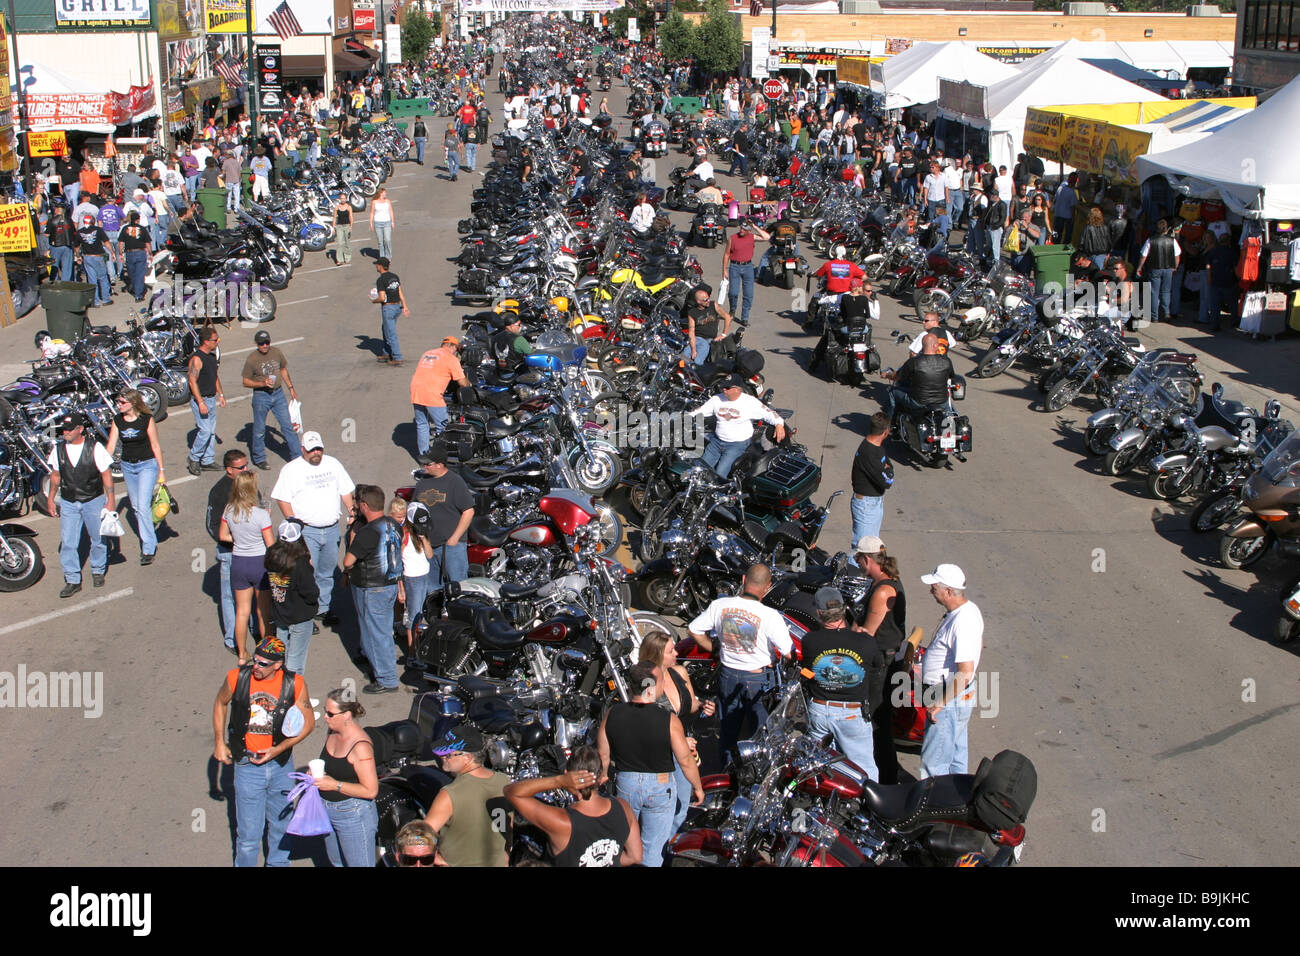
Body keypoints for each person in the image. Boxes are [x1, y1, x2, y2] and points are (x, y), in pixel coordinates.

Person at [212, 636, 314, 867]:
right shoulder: (238, 677)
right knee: (248, 835)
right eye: (255, 660)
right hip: (247, 765)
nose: (255, 666)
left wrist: (279, 749)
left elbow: (308, 724)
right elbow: (220, 703)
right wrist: (219, 742)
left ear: (278, 664)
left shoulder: (294, 683)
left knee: (282, 826)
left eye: (262, 663)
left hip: (280, 765)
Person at [597, 662, 703, 867]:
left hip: (626, 783)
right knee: (653, 850)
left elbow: (603, 751)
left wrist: (603, 773)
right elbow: (685, 760)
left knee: (624, 843)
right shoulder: (669, 720)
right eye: (661, 680)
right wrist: (697, 787)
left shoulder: (614, 713)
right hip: (660, 787)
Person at [688, 564, 793, 759]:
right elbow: (788, 653)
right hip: (758, 679)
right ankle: (756, 773)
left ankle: (726, 772)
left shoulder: (720, 606)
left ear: (744, 580)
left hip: (728, 674)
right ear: (767, 586)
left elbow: (693, 629)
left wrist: (715, 649)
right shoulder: (771, 616)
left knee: (728, 731)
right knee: (761, 734)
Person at [271, 431, 356, 630]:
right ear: (303, 450)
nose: (316, 453)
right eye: (311, 450)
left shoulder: (333, 464)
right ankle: (307, 611)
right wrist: (293, 523)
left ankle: (323, 608)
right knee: (307, 572)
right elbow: (282, 498)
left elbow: (345, 489)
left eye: (318, 448)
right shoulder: (291, 470)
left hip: (332, 528)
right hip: (307, 531)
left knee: (326, 572)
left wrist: (351, 511)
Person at [504, 746, 642, 867]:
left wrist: (559, 781)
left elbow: (511, 792)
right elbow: (634, 857)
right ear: (600, 778)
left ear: (567, 774)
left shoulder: (562, 822)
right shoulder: (623, 807)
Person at [637, 633, 715, 837]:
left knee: (681, 806)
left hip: (684, 750)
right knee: (657, 808)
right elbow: (643, 721)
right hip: (660, 752)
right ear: (656, 655)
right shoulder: (646, 682)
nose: (677, 653)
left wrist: (703, 706)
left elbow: (690, 705)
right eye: (671, 651)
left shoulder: (679, 672)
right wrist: (676, 739)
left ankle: (665, 847)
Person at [800, 587, 879, 780]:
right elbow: (876, 666)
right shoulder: (866, 642)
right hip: (851, 712)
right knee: (864, 769)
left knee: (816, 764)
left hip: (820, 709)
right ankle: (869, 807)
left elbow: (807, 671)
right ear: (844, 610)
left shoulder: (810, 640)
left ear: (818, 614)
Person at [917, 563, 982, 778]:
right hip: (956, 696)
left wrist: (940, 704)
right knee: (955, 754)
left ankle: (935, 805)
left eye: (934, 588)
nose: (931, 592)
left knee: (934, 763)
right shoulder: (969, 611)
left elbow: (965, 671)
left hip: (948, 698)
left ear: (948, 591)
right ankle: (956, 802)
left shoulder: (961, 621)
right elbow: (979, 644)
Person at [853, 536, 907, 784]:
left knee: (875, 720)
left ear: (866, 559)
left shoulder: (882, 590)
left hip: (879, 664)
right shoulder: (891, 582)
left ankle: (883, 776)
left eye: (858, 560)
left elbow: (867, 633)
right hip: (888, 658)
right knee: (881, 719)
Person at [343, 484, 404, 694]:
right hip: (389, 585)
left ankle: (386, 679)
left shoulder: (368, 532)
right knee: (384, 630)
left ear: (365, 506)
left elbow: (348, 561)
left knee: (376, 633)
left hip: (371, 588)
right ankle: (382, 667)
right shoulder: (393, 524)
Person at [422, 725, 511, 867]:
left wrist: (438, 860)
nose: (442, 756)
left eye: (448, 754)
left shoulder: (450, 794)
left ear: (467, 757)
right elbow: (508, 828)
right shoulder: (504, 782)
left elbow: (421, 838)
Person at [47, 413, 115, 598]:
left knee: (98, 538)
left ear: (80, 429)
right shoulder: (58, 450)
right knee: (68, 542)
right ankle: (72, 579)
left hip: (93, 499)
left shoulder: (95, 448)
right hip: (69, 501)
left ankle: (98, 570)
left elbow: (106, 474)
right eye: (64, 430)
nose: (65, 433)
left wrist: (110, 500)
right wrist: (51, 499)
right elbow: (55, 476)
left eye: (69, 429)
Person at [312, 690, 380, 866]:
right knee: (337, 862)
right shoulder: (332, 731)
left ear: (347, 715)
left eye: (330, 714)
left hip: (352, 814)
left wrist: (335, 785)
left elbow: (371, 790)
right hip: (326, 809)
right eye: (324, 711)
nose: (325, 717)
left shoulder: (360, 747)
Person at [105, 389, 166, 565]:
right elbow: (111, 445)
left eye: (122, 402)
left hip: (147, 464)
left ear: (132, 403)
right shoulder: (117, 420)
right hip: (128, 466)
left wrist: (161, 471)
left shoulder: (146, 419)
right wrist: (100, 464)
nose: (118, 405)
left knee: (142, 506)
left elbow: (155, 445)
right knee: (137, 506)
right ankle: (149, 535)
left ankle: (148, 546)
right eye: (117, 402)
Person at [220, 470, 275, 664]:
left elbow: (222, 535)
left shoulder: (229, 510)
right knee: (263, 611)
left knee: (242, 611)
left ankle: (242, 654)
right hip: (259, 563)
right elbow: (270, 545)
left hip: (239, 562)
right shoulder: (261, 515)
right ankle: (267, 652)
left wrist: (238, 540)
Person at [689, 375, 786, 479]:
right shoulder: (717, 399)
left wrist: (779, 424)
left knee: (720, 474)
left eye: (727, 388)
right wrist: (684, 416)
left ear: (737, 389)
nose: (724, 389)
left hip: (736, 445)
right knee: (699, 469)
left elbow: (769, 413)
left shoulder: (749, 402)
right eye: (723, 387)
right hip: (716, 442)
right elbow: (699, 410)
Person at [411, 443, 474, 600]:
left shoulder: (455, 482)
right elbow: (414, 508)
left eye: (428, 464)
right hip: (428, 546)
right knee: (432, 591)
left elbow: (468, 511)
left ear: (440, 465)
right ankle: (436, 620)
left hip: (451, 548)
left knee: (457, 589)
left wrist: (454, 538)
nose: (424, 466)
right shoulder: (422, 482)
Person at [264, 520, 319, 676]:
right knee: (296, 661)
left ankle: (278, 687)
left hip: (280, 613)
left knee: (281, 655)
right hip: (300, 616)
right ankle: (293, 696)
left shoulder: (271, 556)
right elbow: (311, 592)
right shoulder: (300, 564)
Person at [208, 449, 250, 651]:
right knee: (230, 597)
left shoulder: (248, 485)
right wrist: (234, 540)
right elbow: (212, 525)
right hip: (230, 552)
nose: (245, 469)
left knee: (254, 592)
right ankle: (232, 638)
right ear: (229, 470)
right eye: (240, 467)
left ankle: (254, 629)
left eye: (246, 465)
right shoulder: (218, 492)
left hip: (251, 550)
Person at [242, 330, 301, 470]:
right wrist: (262, 384)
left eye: (267, 342)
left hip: (278, 394)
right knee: (260, 429)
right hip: (261, 396)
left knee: (288, 426)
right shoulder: (252, 359)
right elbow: (245, 381)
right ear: (256, 344)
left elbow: (283, 370)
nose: (265, 345)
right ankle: (259, 458)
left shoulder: (276, 352)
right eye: (261, 343)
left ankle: (297, 457)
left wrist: (291, 388)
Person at [410, 336, 469, 456]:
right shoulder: (451, 359)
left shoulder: (428, 353)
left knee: (422, 424)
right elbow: (462, 383)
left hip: (416, 389)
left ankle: (424, 455)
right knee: (443, 428)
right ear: (453, 347)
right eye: (456, 350)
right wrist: (470, 385)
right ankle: (442, 457)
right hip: (432, 393)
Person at [882, 333, 956, 427]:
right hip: (941, 402)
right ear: (936, 345)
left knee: (892, 392)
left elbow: (898, 377)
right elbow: (951, 376)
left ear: (922, 345)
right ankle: (950, 425)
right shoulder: (946, 361)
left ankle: (889, 426)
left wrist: (887, 375)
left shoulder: (913, 362)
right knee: (949, 409)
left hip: (918, 402)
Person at [809, 277, 877, 375]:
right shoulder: (864, 299)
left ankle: (813, 365)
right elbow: (867, 315)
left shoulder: (844, 297)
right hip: (862, 329)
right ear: (859, 288)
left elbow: (842, 313)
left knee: (827, 337)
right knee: (869, 329)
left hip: (848, 328)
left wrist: (819, 301)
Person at [392, 499, 433, 660]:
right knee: (413, 616)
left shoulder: (421, 533)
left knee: (420, 613)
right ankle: (412, 654)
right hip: (411, 579)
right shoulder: (404, 535)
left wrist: (423, 538)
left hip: (425, 576)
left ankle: (416, 648)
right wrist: (400, 588)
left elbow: (429, 555)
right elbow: (396, 562)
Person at [186, 327, 225, 477]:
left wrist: (220, 394)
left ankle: (207, 460)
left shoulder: (212, 357)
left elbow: (214, 377)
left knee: (212, 431)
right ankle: (194, 458)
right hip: (201, 400)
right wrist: (200, 402)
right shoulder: (197, 359)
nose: (217, 342)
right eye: (215, 340)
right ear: (206, 341)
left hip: (210, 398)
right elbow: (192, 381)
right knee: (205, 430)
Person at [850, 411, 892, 546]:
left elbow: (888, 467)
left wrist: (887, 469)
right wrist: (887, 470)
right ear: (886, 431)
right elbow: (887, 481)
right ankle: (852, 567)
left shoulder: (878, 448)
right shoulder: (869, 454)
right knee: (861, 548)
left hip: (874, 502)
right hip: (866, 506)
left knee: (872, 547)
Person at [722, 217, 769, 327]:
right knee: (733, 292)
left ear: (749, 230)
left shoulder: (752, 237)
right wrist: (724, 269)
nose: (742, 230)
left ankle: (745, 318)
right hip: (735, 267)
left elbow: (767, 237)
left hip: (748, 267)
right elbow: (727, 254)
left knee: (748, 294)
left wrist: (755, 226)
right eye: (741, 228)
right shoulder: (732, 238)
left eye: (744, 229)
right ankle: (732, 310)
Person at [1136, 218, 1181, 324]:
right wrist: (1175, 267)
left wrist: (1139, 267)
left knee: (1154, 292)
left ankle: (1154, 316)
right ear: (1166, 229)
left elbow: (1144, 255)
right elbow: (1177, 255)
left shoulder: (1150, 240)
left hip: (1154, 268)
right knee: (1166, 291)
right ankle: (1166, 313)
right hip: (1168, 268)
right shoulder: (1172, 240)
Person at [684, 283, 731, 366]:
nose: (708, 301)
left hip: (709, 340)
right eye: (705, 300)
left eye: (708, 298)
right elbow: (691, 332)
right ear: (698, 301)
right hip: (698, 339)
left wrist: (723, 334)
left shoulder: (713, 305)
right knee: (684, 358)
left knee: (698, 362)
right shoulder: (692, 313)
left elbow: (727, 317)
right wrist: (693, 349)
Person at [1199, 231, 1238, 331]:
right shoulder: (1232, 252)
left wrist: (1208, 277)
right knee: (1232, 303)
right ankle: (1234, 322)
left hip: (1215, 281)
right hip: (1229, 281)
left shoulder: (1213, 251)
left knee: (1215, 304)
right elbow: (1235, 267)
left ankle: (1214, 324)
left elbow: (1208, 266)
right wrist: (1238, 278)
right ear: (1229, 241)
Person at [373, 257, 407, 367]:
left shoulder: (381, 280)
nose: (376, 266)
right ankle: (386, 352)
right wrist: (404, 306)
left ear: (381, 266)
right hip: (397, 306)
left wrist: (374, 300)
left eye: (377, 265)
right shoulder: (394, 276)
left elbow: (382, 298)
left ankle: (397, 357)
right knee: (385, 328)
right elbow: (400, 292)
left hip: (388, 308)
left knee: (391, 333)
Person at [73, 213, 112, 307]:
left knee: (92, 280)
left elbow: (77, 247)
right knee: (103, 278)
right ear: (93, 221)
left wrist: (78, 256)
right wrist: (112, 252)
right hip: (98, 256)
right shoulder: (98, 230)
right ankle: (106, 299)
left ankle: (95, 301)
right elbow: (106, 242)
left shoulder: (79, 232)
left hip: (87, 257)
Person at [117, 210, 151, 302]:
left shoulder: (125, 229)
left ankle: (137, 291)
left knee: (132, 273)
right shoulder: (142, 229)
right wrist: (150, 253)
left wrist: (120, 253)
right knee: (139, 274)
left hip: (129, 253)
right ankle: (138, 293)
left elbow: (120, 243)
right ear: (138, 220)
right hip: (140, 252)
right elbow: (147, 243)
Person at [46, 205, 76, 282]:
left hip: (55, 246)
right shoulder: (69, 220)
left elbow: (47, 234)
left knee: (54, 266)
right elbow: (74, 232)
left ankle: (54, 284)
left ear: (56, 210)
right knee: (67, 267)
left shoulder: (52, 220)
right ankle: (65, 285)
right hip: (67, 246)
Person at [370, 187, 395, 260]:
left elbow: (391, 211)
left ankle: (388, 256)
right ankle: (382, 257)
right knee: (380, 241)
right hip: (378, 222)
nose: (385, 194)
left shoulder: (387, 201)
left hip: (387, 222)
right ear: (380, 193)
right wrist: (371, 223)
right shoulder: (374, 202)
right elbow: (372, 213)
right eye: (384, 192)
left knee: (387, 240)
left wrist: (392, 221)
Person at [334, 193, 353, 265]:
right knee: (339, 243)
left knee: (347, 242)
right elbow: (335, 217)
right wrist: (333, 226)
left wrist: (351, 226)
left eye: (344, 198)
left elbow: (351, 217)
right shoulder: (337, 207)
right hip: (339, 226)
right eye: (341, 198)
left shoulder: (348, 207)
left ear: (346, 199)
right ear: (339, 199)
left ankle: (347, 258)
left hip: (346, 226)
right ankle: (339, 259)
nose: (343, 200)